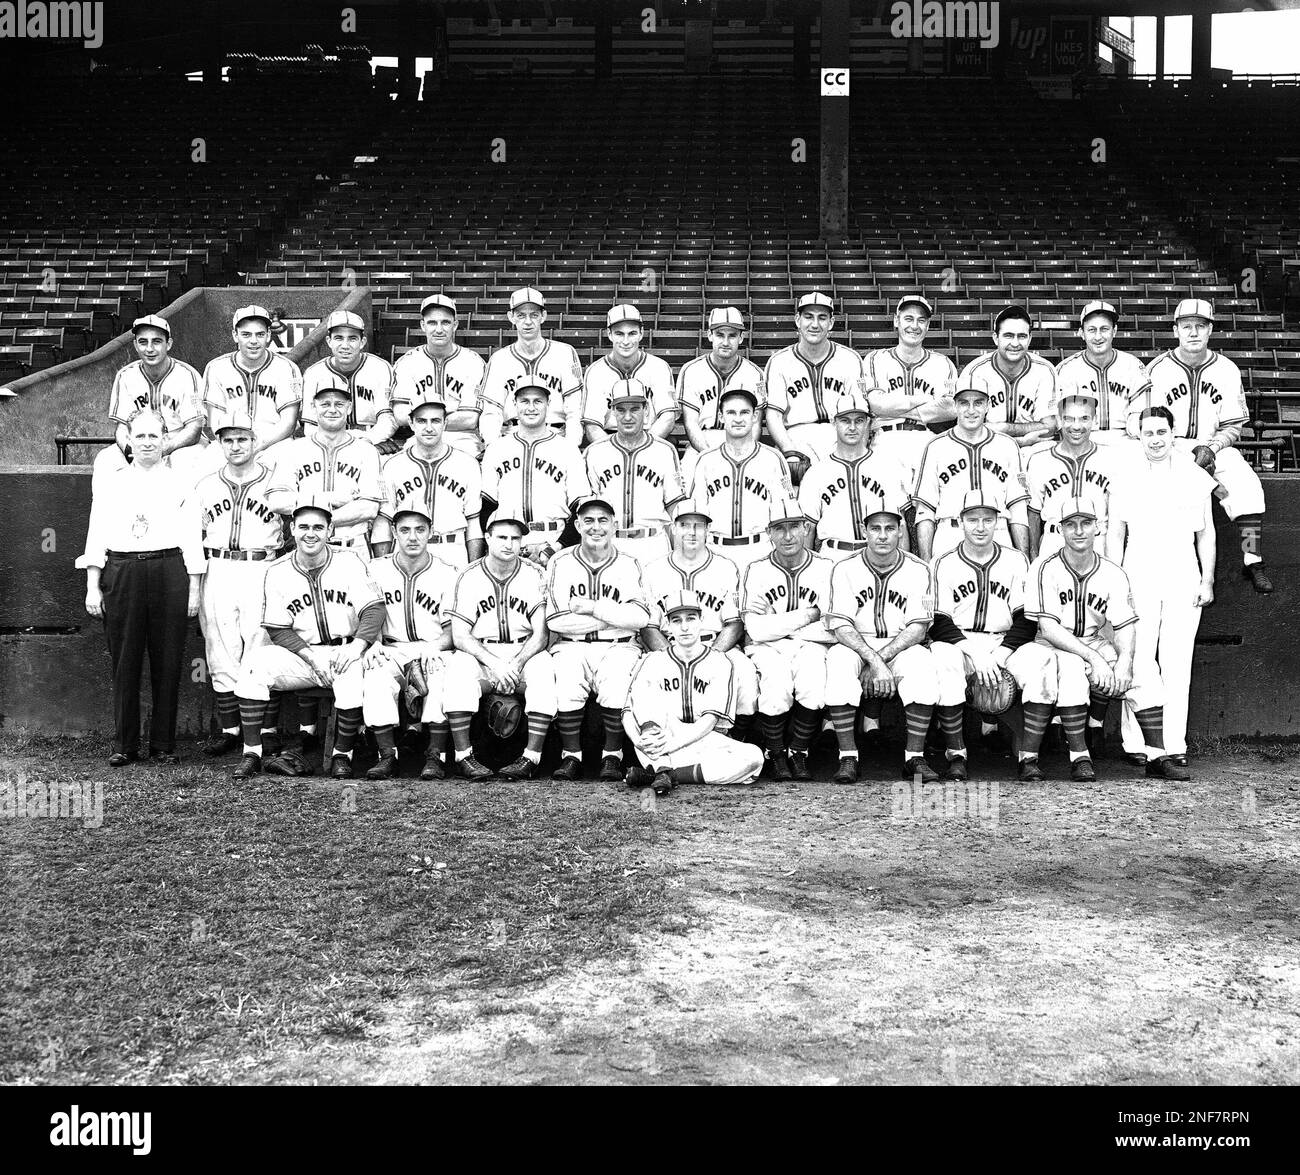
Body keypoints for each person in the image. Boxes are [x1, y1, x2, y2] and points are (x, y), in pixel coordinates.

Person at [1030, 495, 1191, 782]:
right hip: (1051, 645)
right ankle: (1079, 757)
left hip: (1093, 640)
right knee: (1072, 671)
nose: (1079, 531)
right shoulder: (1045, 568)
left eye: (1086, 523)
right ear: (1060, 529)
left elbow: (1125, 624)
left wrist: (1125, 661)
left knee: (1145, 670)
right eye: (1071, 524)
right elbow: (1049, 628)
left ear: (1098, 528)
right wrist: (1093, 658)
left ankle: (1156, 755)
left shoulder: (1113, 573)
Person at [78, 408, 205, 766]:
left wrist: (193, 588)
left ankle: (163, 744)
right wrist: (93, 585)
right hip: (123, 571)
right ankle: (125, 744)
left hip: (169, 570)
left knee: (167, 659)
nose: (147, 442)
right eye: (141, 436)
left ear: (165, 441)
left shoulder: (181, 482)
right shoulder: (112, 481)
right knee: (125, 660)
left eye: (154, 436)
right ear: (128, 440)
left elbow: (191, 539)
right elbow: (97, 534)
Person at [231, 496, 386, 780]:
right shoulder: (277, 570)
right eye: (303, 526)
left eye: (318, 526)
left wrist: (357, 647)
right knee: (254, 663)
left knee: (351, 678)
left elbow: (374, 609)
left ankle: (342, 755)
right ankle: (251, 753)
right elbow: (278, 628)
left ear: (330, 530)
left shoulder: (350, 562)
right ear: (292, 529)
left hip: (344, 650)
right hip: (303, 654)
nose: (310, 533)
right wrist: (310, 657)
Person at [1108, 407, 1216, 770]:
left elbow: (1207, 535)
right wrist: (1116, 582)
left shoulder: (1194, 476)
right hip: (1138, 573)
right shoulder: (1125, 476)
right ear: (1139, 436)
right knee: (1138, 658)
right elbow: (1116, 534)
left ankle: (1173, 743)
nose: (1156, 439)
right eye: (1149, 433)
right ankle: (1136, 741)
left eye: (1161, 432)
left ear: (1174, 433)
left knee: (1177, 661)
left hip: (1183, 574)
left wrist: (1207, 579)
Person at [928, 491, 1060, 780]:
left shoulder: (1016, 560)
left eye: (988, 519)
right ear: (961, 521)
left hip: (1005, 642)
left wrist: (999, 656)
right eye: (973, 519)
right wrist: (976, 655)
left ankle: (1029, 757)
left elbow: (1026, 619)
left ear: (998, 522)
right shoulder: (943, 562)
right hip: (960, 641)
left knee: (1043, 658)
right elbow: (938, 622)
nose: (980, 526)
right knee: (942, 657)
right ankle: (956, 755)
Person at [1145, 298, 1273, 594]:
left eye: (1200, 326)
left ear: (1210, 330)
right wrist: (1173, 449)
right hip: (1169, 446)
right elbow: (1148, 422)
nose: (1193, 332)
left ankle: (1253, 560)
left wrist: (1213, 448)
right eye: (1186, 326)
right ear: (1175, 330)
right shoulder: (1158, 369)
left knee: (1248, 485)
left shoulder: (1227, 369)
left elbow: (1234, 426)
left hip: (1215, 444)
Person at [194, 409, 285, 759]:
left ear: (255, 441)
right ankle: (231, 729)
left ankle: (267, 729)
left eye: (242, 438)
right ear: (219, 443)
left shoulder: (275, 482)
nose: (235, 445)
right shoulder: (205, 484)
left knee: (260, 642)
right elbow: (195, 534)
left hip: (261, 566)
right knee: (219, 643)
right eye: (228, 439)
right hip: (217, 565)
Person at [824, 508, 939, 783]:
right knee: (839, 661)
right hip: (856, 644)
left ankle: (914, 758)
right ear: (864, 532)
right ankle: (847, 756)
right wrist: (872, 660)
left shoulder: (918, 569)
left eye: (890, 528)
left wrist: (880, 660)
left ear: (901, 532)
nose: (883, 535)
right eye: (875, 528)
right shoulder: (843, 567)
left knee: (921, 663)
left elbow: (918, 627)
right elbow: (840, 625)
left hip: (899, 644)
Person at [445, 512, 558, 781]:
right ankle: (463, 757)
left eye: (515, 538)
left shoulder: (535, 574)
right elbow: (460, 635)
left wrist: (516, 664)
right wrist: (495, 664)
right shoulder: (468, 575)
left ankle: (531, 758)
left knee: (543, 669)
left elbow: (541, 635)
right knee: (459, 667)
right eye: (502, 537)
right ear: (487, 538)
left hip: (524, 651)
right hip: (482, 653)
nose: (509, 544)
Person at [544, 496, 650, 782]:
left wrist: (594, 608)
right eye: (588, 520)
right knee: (567, 681)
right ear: (577, 525)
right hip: (570, 644)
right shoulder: (560, 561)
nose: (596, 527)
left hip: (619, 646)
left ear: (614, 525)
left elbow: (640, 618)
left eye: (603, 520)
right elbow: (555, 619)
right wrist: (616, 615)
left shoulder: (630, 563)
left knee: (616, 682)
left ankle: (612, 758)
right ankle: (571, 758)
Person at [641, 497, 758, 744]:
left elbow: (734, 623)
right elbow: (649, 626)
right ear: (673, 528)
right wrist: (670, 655)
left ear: (708, 531)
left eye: (698, 525)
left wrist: (711, 655)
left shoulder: (725, 567)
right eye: (684, 525)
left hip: (716, 644)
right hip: (669, 646)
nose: (691, 532)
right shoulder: (654, 569)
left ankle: (735, 741)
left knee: (746, 676)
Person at [623, 591, 764, 793]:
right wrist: (640, 741)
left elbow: (709, 722)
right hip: (658, 738)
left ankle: (663, 775)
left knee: (754, 758)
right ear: (669, 626)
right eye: (677, 620)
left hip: (698, 738)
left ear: (701, 620)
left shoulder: (721, 662)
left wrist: (670, 746)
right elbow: (628, 712)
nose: (685, 627)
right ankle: (663, 769)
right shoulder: (653, 660)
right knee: (649, 716)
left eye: (691, 618)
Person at [360, 506, 461, 780]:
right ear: (394, 532)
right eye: (404, 530)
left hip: (431, 646)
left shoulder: (447, 572)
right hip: (390, 647)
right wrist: (374, 644)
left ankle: (435, 756)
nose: (412, 537)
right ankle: (387, 756)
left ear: (431, 532)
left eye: (420, 529)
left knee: (442, 676)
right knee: (375, 675)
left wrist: (435, 647)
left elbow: (453, 629)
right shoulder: (375, 569)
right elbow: (365, 616)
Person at [742, 498, 835, 781]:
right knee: (776, 685)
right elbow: (755, 631)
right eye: (779, 528)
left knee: (813, 683)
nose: (788, 535)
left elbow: (832, 628)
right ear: (768, 533)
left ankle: (799, 751)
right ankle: (777, 753)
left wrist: (779, 624)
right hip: (766, 646)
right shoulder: (756, 569)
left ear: (807, 528)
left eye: (794, 526)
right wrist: (809, 614)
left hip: (813, 642)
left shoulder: (827, 566)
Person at [912, 386, 1030, 562]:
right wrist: (927, 563)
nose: (971, 410)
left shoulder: (1007, 445)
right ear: (955, 406)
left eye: (978, 403)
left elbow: (1018, 509)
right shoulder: (936, 446)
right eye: (964, 403)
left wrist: (1024, 559)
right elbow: (925, 511)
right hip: (951, 532)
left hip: (998, 530)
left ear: (988, 406)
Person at [480, 383, 590, 567]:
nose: (531, 408)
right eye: (525, 401)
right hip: (510, 543)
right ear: (514, 403)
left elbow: (581, 509)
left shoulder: (567, 449)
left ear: (549, 403)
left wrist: (555, 547)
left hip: (555, 541)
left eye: (538, 401)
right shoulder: (497, 449)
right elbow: (486, 508)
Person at [689, 389, 795, 577]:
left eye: (744, 412)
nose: (738, 419)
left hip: (760, 550)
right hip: (716, 550)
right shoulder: (705, 460)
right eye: (731, 413)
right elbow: (697, 514)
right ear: (721, 417)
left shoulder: (773, 458)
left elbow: (783, 514)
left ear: (755, 416)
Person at [93, 314, 205, 491]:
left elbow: (195, 428)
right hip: (139, 444)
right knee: (106, 460)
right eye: (143, 342)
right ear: (136, 345)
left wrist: (165, 449)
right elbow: (122, 429)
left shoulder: (188, 375)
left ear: (168, 344)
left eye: (157, 341)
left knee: (186, 462)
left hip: (178, 443)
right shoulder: (126, 376)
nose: (150, 348)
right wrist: (131, 451)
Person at [265, 386, 382, 552]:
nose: (332, 410)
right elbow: (277, 501)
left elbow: (368, 508)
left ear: (349, 407)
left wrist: (316, 521)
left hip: (352, 546)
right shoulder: (293, 449)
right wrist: (330, 499)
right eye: (325, 404)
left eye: (339, 404)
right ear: (313, 407)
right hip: (307, 547)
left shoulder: (367, 451)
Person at [583, 379, 686, 568]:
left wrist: (679, 554)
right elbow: (586, 510)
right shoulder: (595, 452)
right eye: (621, 410)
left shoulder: (664, 450)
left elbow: (675, 509)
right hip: (610, 542)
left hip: (652, 542)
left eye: (635, 409)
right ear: (613, 411)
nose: (627, 417)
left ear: (646, 409)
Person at [370, 398, 483, 568]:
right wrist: (383, 566)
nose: (429, 428)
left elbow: (473, 523)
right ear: (411, 423)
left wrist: (472, 570)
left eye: (435, 421)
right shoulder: (393, 465)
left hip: (451, 548)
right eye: (422, 421)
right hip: (406, 551)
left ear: (445, 423)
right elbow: (383, 522)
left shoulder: (467, 464)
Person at [798, 391, 912, 558]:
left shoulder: (888, 466)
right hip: (834, 554)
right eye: (845, 420)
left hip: (878, 556)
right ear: (833, 422)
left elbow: (900, 525)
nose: (852, 427)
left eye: (858, 421)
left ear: (868, 422)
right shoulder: (817, 472)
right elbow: (808, 530)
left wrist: (901, 566)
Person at [764, 292, 864, 476]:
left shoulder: (849, 358)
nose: (815, 324)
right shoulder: (779, 361)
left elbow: (861, 413)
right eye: (808, 317)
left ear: (831, 323)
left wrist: (857, 448)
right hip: (796, 436)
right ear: (797, 320)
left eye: (822, 318)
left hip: (839, 435)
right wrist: (789, 451)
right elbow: (773, 416)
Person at [862, 294, 958, 483]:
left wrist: (895, 406)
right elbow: (876, 406)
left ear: (928, 326)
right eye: (908, 318)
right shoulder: (875, 359)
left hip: (926, 438)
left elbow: (950, 409)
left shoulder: (943, 363)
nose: (914, 326)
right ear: (896, 321)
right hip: (885, 439)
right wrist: (925, 400)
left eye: (921, 320)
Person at [477, 287, 583, 445]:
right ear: (511, 317)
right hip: (511, 435)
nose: (527, 321)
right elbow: (491, 413)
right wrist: (494, 447)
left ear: (543, 316)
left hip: (556, 435)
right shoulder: (499, 359)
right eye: (521, 315)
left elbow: (575, 411)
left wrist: (571, 447)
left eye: (534, 315)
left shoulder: (564, 353)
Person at [1025, 392, 1125, 560]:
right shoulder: (1039, 460)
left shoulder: (1112, 459)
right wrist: (1034, 556)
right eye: (1069, 419)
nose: (1076, 426)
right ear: (1059, 420)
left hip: (1097, 540)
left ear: (1094, 420)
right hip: (1055, 540)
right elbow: (1033, 514)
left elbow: (1118, 521)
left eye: (1084, 418)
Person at [202, 304, 302, 469]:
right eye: (246, 335)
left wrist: (258, 445)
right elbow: (216, 421)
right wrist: (237, 445)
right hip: (230, 440)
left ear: (269, 335)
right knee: (207, 463)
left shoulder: (286, 368)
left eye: (260, 334)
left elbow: (288, 423)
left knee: (287, 464)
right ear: (235, 335)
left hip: (274, 441)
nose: (254, 341)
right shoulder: (216, 368)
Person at [391, 293, 486, 458]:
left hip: (463, 438)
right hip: (419, 437)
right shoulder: (408, 362)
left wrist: (423, 415)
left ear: (455, 325)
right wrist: (450, 409)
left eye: (446, 322)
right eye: (432, 323)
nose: (439, 329)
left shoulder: (473, 361)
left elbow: (470, 418)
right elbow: (400, 415)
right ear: (423, 325)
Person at [676, 306, 766, 480]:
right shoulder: (691, 370)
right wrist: (711, 456)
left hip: (743, 442)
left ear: (741, 337)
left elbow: (755, 424)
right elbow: (691, 424)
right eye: (720, 335)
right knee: (687, 483)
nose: (725, 342)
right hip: (702, 443)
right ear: (709, 335)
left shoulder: (755, 373)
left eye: (732, 335)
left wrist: (744, 452)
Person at [1054, 300, 1150, 446]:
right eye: (1091, 330)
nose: (1098, 337)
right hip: (1082, 440)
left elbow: (1141, 415)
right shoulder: (1066, 369)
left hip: (1126, 440)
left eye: (1104, 329)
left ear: (1114, 331)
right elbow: (1061, 421)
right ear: (1082, 333)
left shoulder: (1133, 366)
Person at [958, 305, 1056, 447]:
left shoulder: (1045, 370)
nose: (1015, 343)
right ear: (995, 338)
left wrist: (1004, 428)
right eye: (1008, 336)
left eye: (1021, 336)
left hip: (1033, 446)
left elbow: (1048, 427)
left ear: (1029, 339)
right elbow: (967, 428)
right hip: (986, 445)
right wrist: (1019, 440)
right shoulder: (975, 371)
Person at [300, 310, 397, 451]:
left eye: (352, 338)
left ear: (362, 342)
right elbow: (310, 426)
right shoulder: (314, 373)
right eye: (339, 338)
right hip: (326, 442)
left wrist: (368, 439)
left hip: (372, 439)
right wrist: (335, 442)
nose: (345, 345)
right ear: (329, 341)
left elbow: (387, 419)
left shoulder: (380, 368)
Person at [582, 304, 677, 444]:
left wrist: (644, 446)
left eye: (632, 333)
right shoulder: (596, 371)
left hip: (651, 438)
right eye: (619, 334)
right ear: (609, 334)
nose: (626, 341)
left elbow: (667, 418)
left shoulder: (659, 367)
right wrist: (613, 450)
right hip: (608, 440)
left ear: (641, 333)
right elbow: (592, 426)